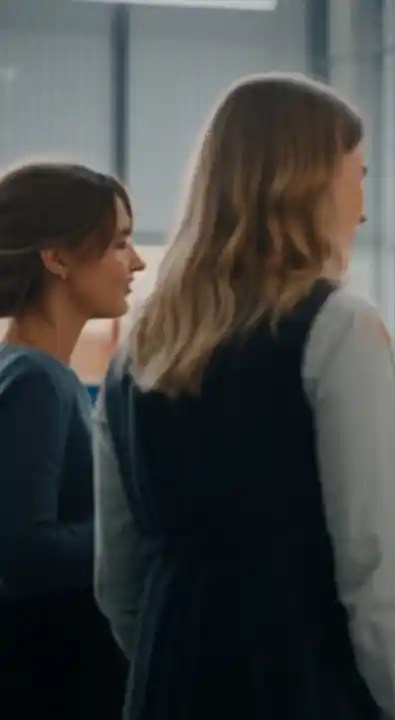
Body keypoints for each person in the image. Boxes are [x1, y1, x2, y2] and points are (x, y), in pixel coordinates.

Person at [91, 73, 395, 720]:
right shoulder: (340, 328)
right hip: (301, 682)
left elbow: (117, 578)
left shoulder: (139, 346)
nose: (363, 209)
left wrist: (174, 661)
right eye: (358, 176)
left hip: (169, 680)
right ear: (306, 184)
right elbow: (377, 577)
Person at [0, 161, 145, 718]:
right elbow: (23, 554)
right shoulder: (37, 380)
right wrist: (137, 527)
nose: (137, 262)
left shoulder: (35, 374)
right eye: (119, 243)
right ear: (57, 258)